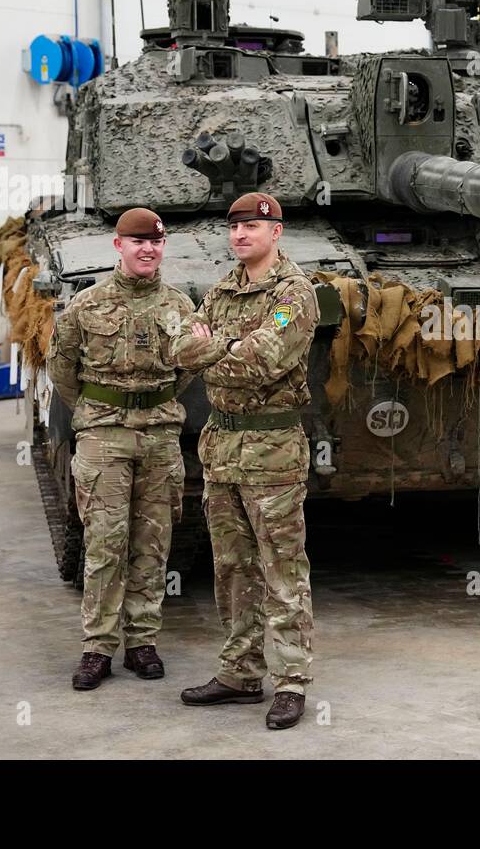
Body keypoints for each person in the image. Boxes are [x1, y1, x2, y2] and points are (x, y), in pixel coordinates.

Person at [174, 192, 319, 730]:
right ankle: (240, 672)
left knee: (283, 568)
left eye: (252, 228)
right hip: (222, 450)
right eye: (233, 228)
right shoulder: (220, 292)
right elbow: (180, 351)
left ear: (275, 233)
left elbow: (262, 361)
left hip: (273, 451)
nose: (240, 236)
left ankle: (292, 681)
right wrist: (222, 348)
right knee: (234, 568)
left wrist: (216, 348)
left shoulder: (295, 294)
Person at [47, 207, 196, 690]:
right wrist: (100, 410)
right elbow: (62, 368)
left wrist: (151, 406)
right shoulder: (86, 306)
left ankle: (142, 642)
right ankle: (97, 647)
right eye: (137, 242)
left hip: (159, 435)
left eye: (155, 242)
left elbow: (188, 369)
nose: (147, 250)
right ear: (119, 246)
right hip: (104, 435)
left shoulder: (179, 306)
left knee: (152, 543)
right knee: (105, 542)